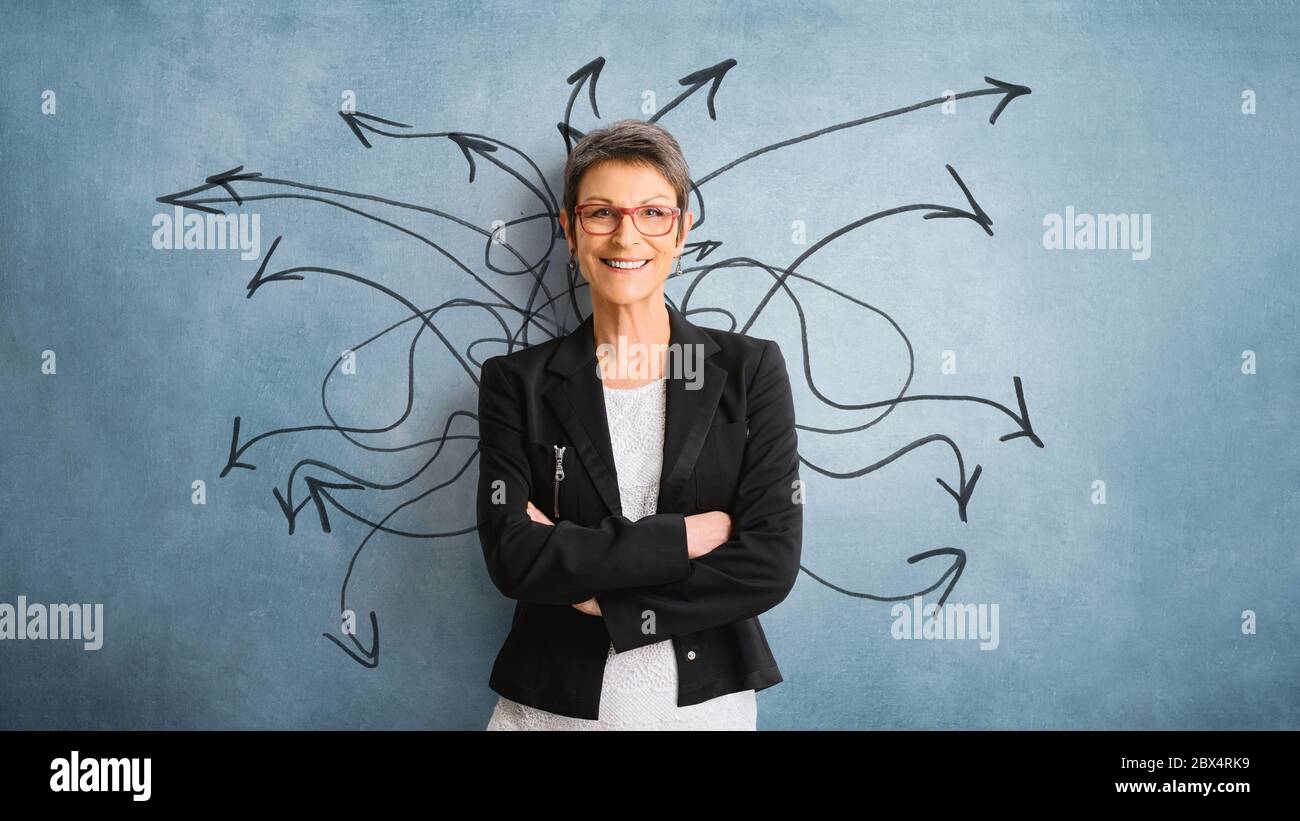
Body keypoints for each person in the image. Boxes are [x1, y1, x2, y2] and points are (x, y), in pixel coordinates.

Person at [477, 118, 802, 729]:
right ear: (571, 231)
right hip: (548, 712)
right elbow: (514, 557)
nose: (627, 236)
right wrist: (685, 537)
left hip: (706, 712)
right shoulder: (514, 382)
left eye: (653, 213)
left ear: (680, 232)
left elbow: (769, 562)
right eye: (601, 213)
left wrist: (604, 601)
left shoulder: (750, 369)